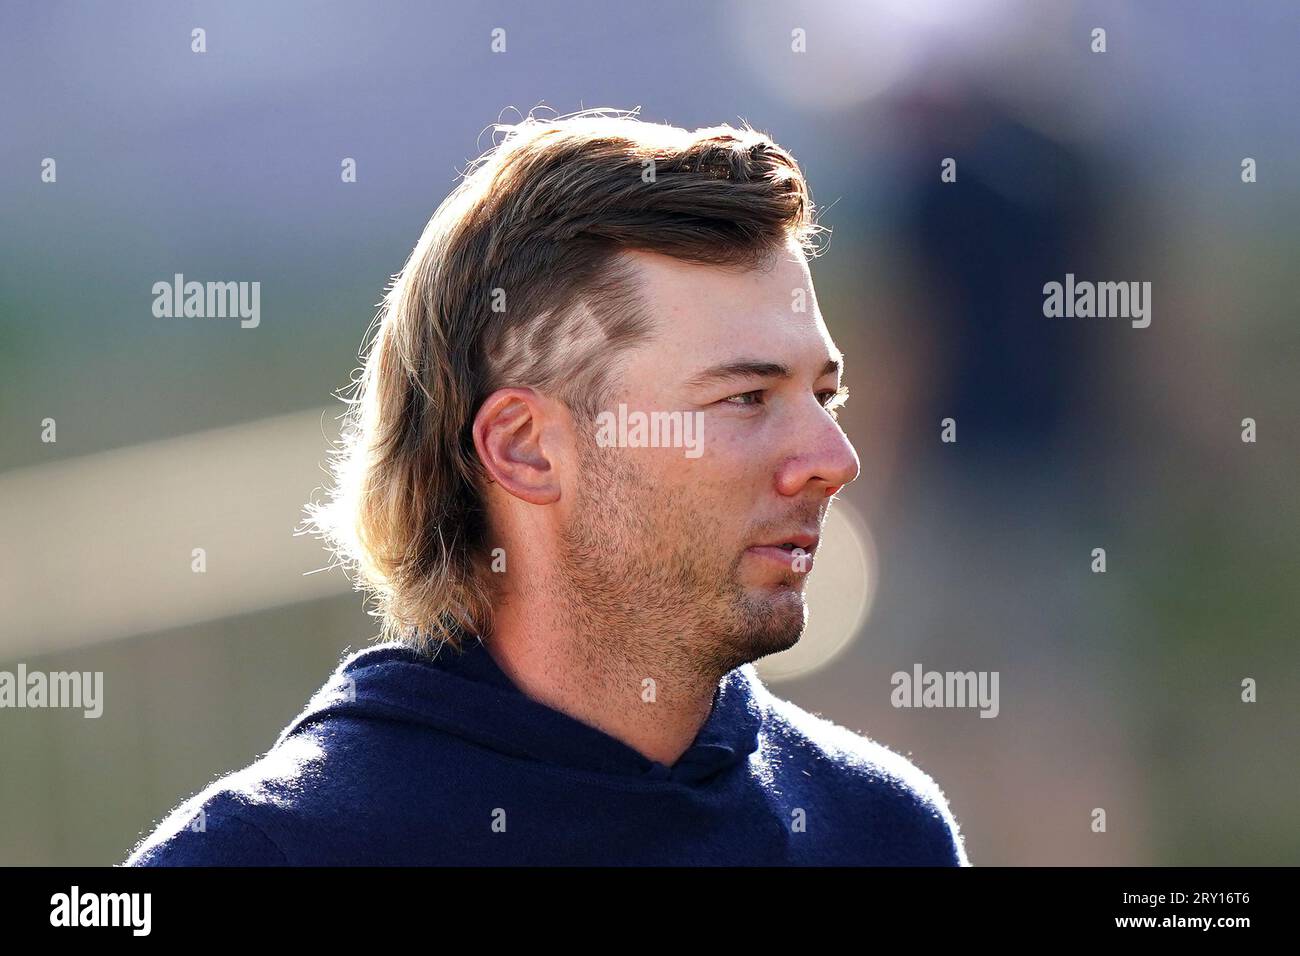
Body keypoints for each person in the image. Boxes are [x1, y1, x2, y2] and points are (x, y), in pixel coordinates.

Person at [124, 110, 969, 866]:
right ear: (526, 451)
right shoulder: (264, 856)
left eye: (823, 395)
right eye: (744, 398)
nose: (833, 457)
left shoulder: (881, 833)